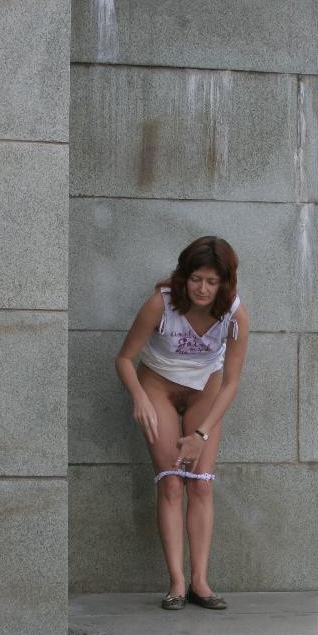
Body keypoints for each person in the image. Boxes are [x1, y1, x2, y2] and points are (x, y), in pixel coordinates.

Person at [115, 237, 249, 610]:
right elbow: (124, 358)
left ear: (225, 282)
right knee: (172, 483)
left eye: (211, 281)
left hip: (205, 389)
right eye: (196, 279)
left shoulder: (235, 316)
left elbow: (232, 382)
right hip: (157, 385)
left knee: (201, 485)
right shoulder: (161, 303)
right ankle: (175, 582)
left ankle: (200, 582)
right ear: (183, 277)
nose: (203, 289)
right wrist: (139, 396)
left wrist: (201, 433)